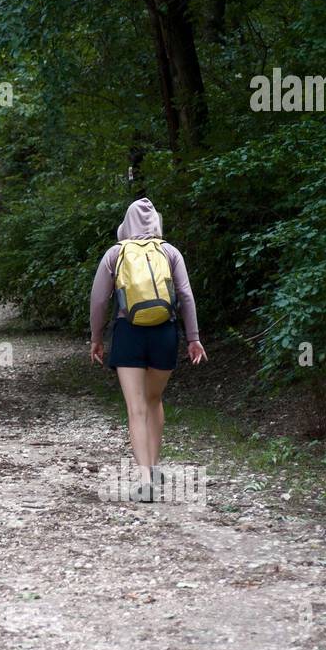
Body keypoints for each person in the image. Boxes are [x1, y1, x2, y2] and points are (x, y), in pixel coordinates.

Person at [89, 198, 207, 501]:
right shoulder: (170, 252)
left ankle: (145, 480)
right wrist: (193, 338)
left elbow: (99, 301)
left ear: (126, 223)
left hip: (129, 332)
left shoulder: (115, 254)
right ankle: (154, 467)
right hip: (165, 333)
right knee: (154, 400)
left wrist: (96, 338)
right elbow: (186, 296)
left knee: (136, 407)